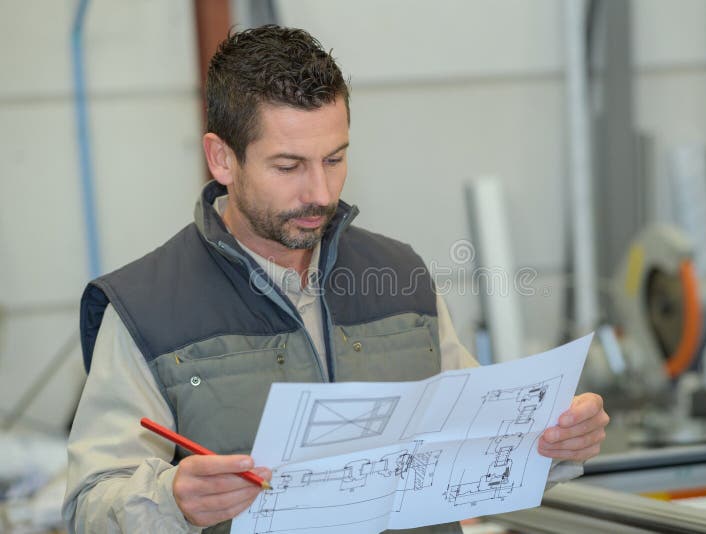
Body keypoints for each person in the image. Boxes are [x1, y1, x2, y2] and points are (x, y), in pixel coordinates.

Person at [63, 24, 609, 534]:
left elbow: (472, 445)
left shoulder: (401, 278)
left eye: (335, 158)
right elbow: (90, 502)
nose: (320, 193)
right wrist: (172, 500)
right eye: (288, 166)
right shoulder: (145, 309)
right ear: (222, 159)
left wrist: (555, 440)